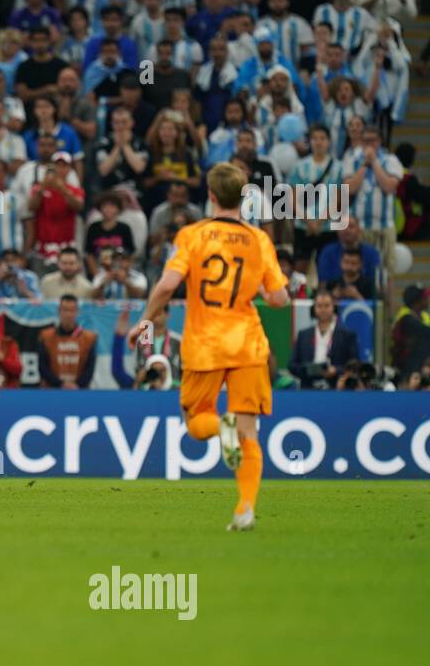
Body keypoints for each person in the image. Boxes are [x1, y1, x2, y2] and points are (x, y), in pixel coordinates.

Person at [126, 162, 290, 532]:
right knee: (249, 433)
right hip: (248, 344)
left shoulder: (193, 235)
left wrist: (146, 320)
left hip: (205, 346)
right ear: (243, 196)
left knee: (197, 424)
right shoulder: (259, 240)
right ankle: (245, 508)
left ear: (211, 196)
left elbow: (167, 285)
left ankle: (221, 428)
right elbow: (279, 298)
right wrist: (264, 289)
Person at [289, 289, 359, 388]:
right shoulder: (303, 335)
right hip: (308, 389)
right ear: (314, 308)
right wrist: (310, 370)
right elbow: (292, 365)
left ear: (333, 307)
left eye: (326, 306)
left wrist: (336, 370)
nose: (323, 310)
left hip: (336, 387)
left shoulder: (347, 335)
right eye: (319, 306)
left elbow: (355, 364)